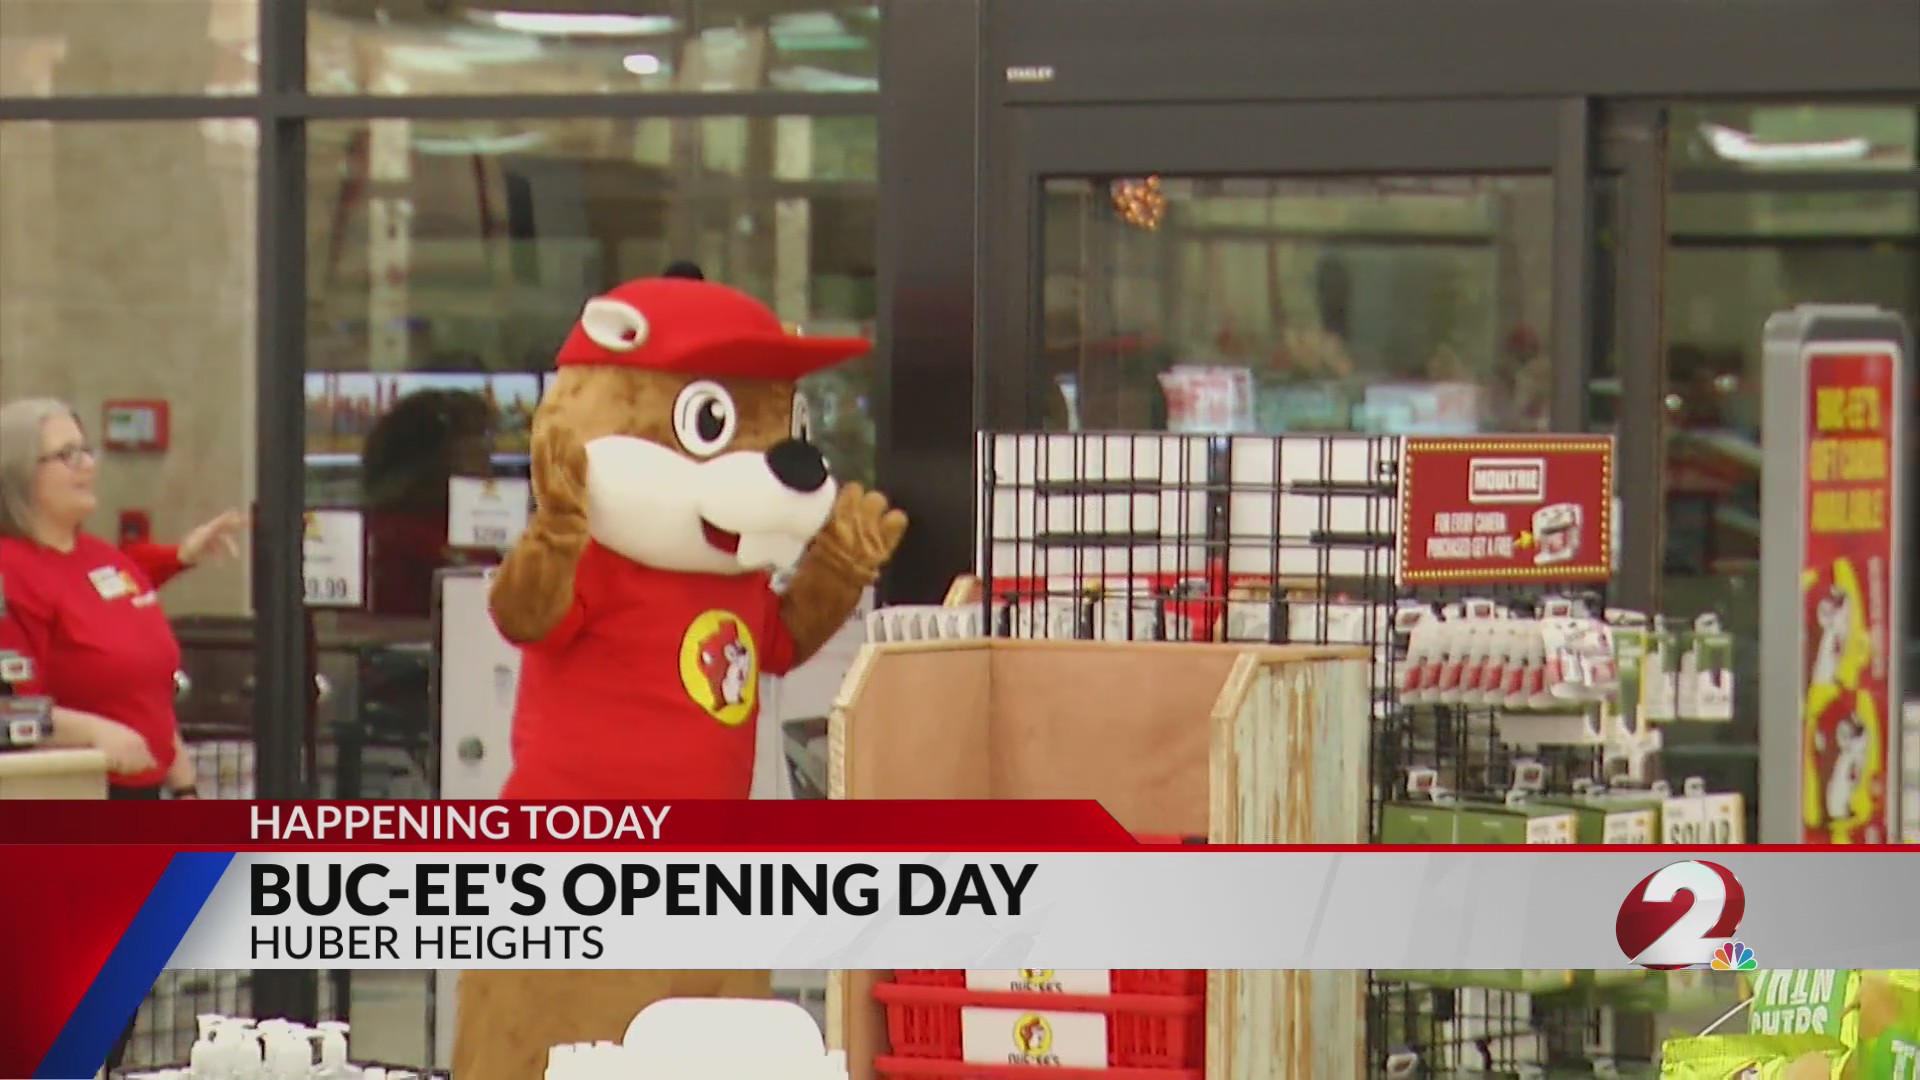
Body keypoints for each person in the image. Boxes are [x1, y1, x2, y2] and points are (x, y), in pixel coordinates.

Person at [0, 397, 249, 799]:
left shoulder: (106, 559)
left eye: (86, 450)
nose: (88, 465)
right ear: (19, 474)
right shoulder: (10, 573)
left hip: (145, 792)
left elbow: (145, 689)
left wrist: (185, 788)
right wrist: (95, 733)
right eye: (67, 455)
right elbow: (7, 711)